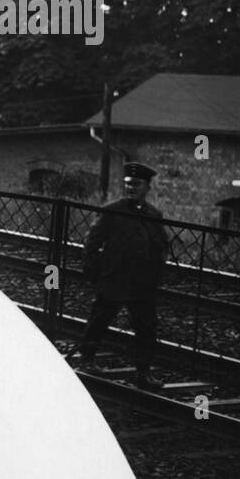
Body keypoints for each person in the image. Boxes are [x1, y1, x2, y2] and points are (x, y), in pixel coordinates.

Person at [68, 162, 170, 387]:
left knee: (146, 326)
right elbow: (92, 242)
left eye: (136, 184)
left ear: (147, 187)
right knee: (100, 319)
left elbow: (161, 245)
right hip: (115, 278)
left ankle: (143, 373)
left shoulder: (154, 214)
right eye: (127, 184)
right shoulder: (113, 210)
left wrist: (156, 271)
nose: (131, 188)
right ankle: (87, 360)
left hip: (142, 282)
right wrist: (94, 272)